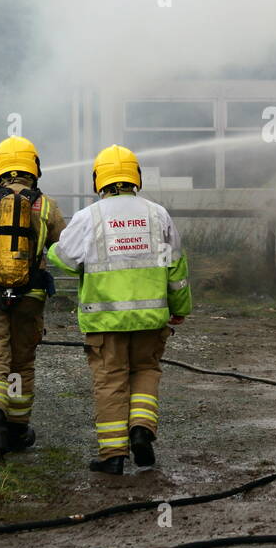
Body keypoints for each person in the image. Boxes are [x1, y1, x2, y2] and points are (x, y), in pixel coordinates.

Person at [47, 144, 192, 474]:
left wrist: (55, 251)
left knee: (110, 380)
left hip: (105, 321)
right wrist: (180, 308)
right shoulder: (158, 214)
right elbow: (175, 267)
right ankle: (141, 429)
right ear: (135, 177)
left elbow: (66, 258)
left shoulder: (89, 216)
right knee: (145, 371)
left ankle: (113, 457)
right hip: (151, 319)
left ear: (98, 178)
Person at [0, 136, 66, 461]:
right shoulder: (45, 204)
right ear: (34, 167)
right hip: (31, 293)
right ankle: (18, 429)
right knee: (20, 361)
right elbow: (61, 244)